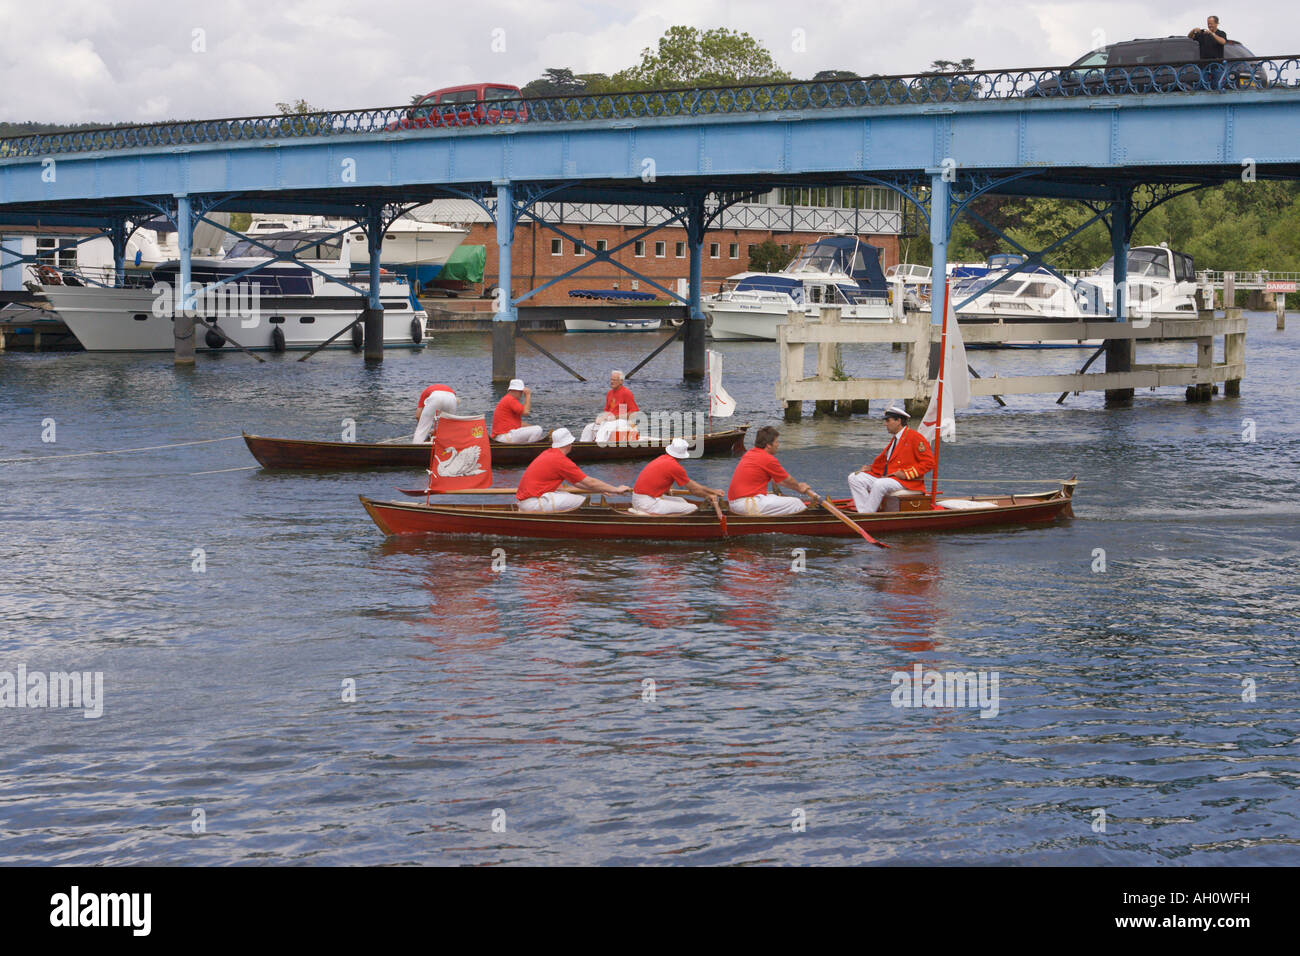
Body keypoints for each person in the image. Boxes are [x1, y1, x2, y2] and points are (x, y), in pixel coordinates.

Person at [515, 427, 631, 513]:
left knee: (572, 497)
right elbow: (589, 481)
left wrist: (599, 489)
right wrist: (616, 489)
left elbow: (579, 483)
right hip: (533, 503)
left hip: (527, 502)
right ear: (569, 443)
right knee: (582, 502)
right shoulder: (560, 460)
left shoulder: (548, 453)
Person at [847, 405, 935, 514]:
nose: (885, 424)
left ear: (898, 421)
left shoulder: (915, 437)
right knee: (854, 478)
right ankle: (865, 511)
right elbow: (888, 462)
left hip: (906, 481)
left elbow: (929, 463)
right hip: (890, 478)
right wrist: (871, 468)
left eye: (888, 421)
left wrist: (906, 474)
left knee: (879, 484)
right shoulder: (896, 438)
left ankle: (867, 515)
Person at [727, 426, 812, 516]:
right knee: (797, 503)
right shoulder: (767, 459)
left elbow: (781, 481)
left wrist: (798, 488)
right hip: (745, 504)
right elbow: (788, 479)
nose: (778, 445)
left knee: (777, 498)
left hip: (735, 503)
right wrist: (799, 487)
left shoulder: (750, 453)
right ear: (768, 445)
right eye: (776, 442)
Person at [631, 437, 725, 515]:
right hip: (647, 503)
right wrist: (709, 494)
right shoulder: (674, 466)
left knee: (681, 501)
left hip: (638, 499)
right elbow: (694, 490)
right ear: (681, 456)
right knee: (692, 508)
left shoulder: (662, 458)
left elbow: (689, 484)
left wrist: (712, 491)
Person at [580, 370, 641, 443]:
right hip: (610, 420)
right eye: (611, 379)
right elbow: (606, 411)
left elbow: (634, 413)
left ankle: (599, 445)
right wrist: (601, 417)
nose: (612, 382)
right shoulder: (609, 393)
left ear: (621, 381)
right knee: (589, 427)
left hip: (623, 421)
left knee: (606, 428)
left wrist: (615, 417)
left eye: (614, 380)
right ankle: (584, 445)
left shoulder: (626, 393)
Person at [491, 378, 545, 444]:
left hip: (503, 436)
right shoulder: (510, 400)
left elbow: (518, 423)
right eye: (521, 392)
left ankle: (531, 445)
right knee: (538, 429)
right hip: (504, 437)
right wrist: (528, 395)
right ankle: (529, 448)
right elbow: (526, 412)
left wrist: (530, 427)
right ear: (515, 390)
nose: (521, 394)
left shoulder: (507, 399)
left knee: (532, 428)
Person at [1188, 16, 1227, 89]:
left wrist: (1212, 34)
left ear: (1217, 23)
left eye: (1211, 24)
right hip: (1204, 65)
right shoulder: (1203, 33)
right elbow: (1189, 37)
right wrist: (1193, 30)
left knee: (1217, 86)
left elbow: (1223, 42)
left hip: (1217, 65)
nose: (1209, 25)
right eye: (1208, 23)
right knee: (1203, 86)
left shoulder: (1221, 33)